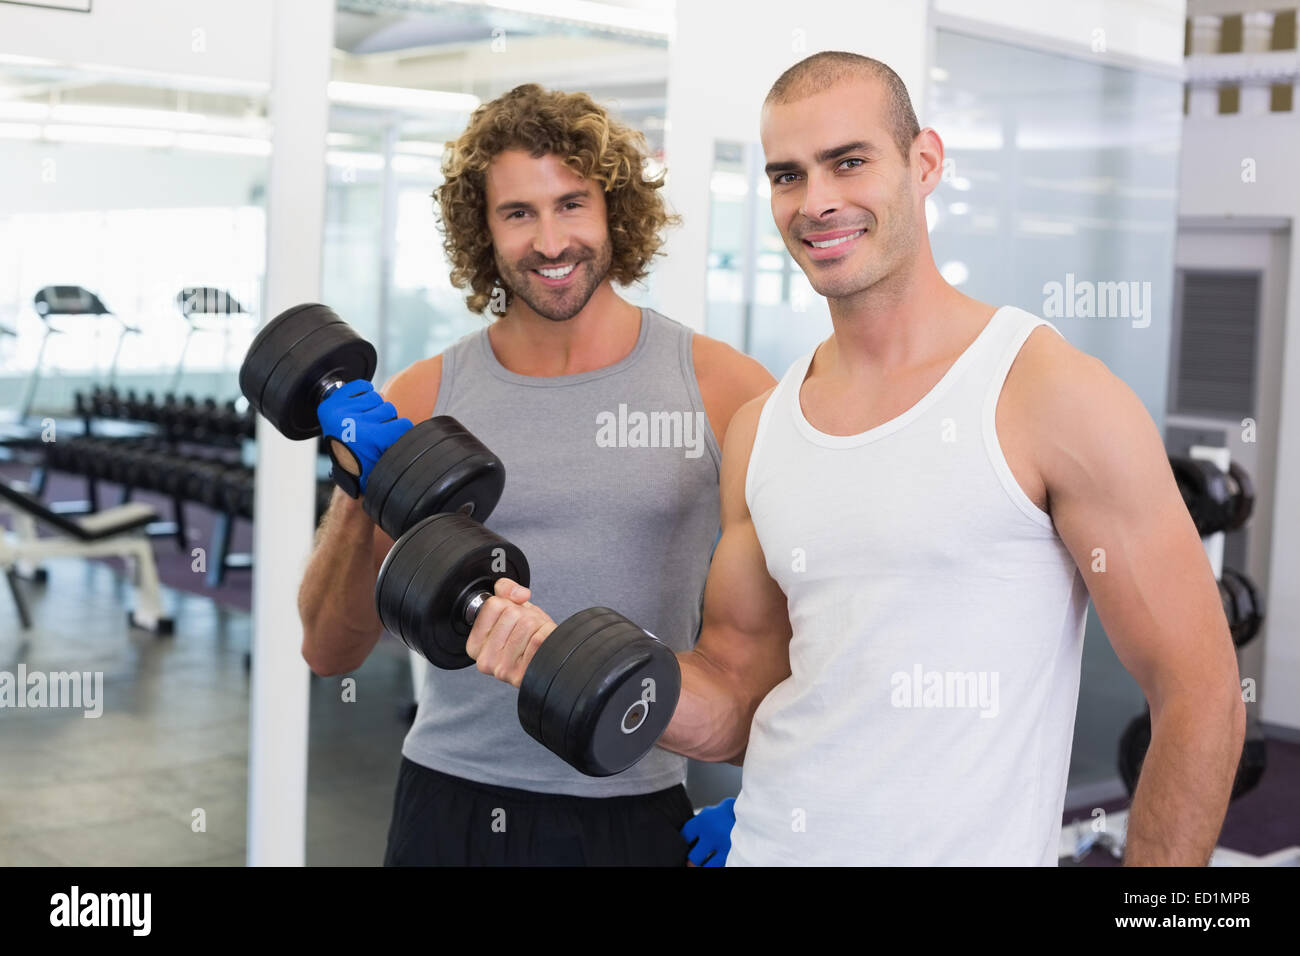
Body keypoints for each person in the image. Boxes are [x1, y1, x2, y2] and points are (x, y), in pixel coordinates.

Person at [467, 53, 1246, 866]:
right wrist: (566, 662)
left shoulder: (1046, 394)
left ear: (925, 163)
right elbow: (735, 700)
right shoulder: (765, 427)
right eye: (787, 175)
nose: (817, 201)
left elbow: (1201, 698)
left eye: (848, 162)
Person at [296, 83, 774, 866]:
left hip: (632, 803)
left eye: (571, 204)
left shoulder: (723, 391)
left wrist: (773, 806)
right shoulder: (425, 396)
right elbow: (327, 650)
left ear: (615, 211)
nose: (550, 241)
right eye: (518, 213)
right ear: (482, 232)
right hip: (447, 802)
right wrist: (358, 490)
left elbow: (801, 630)